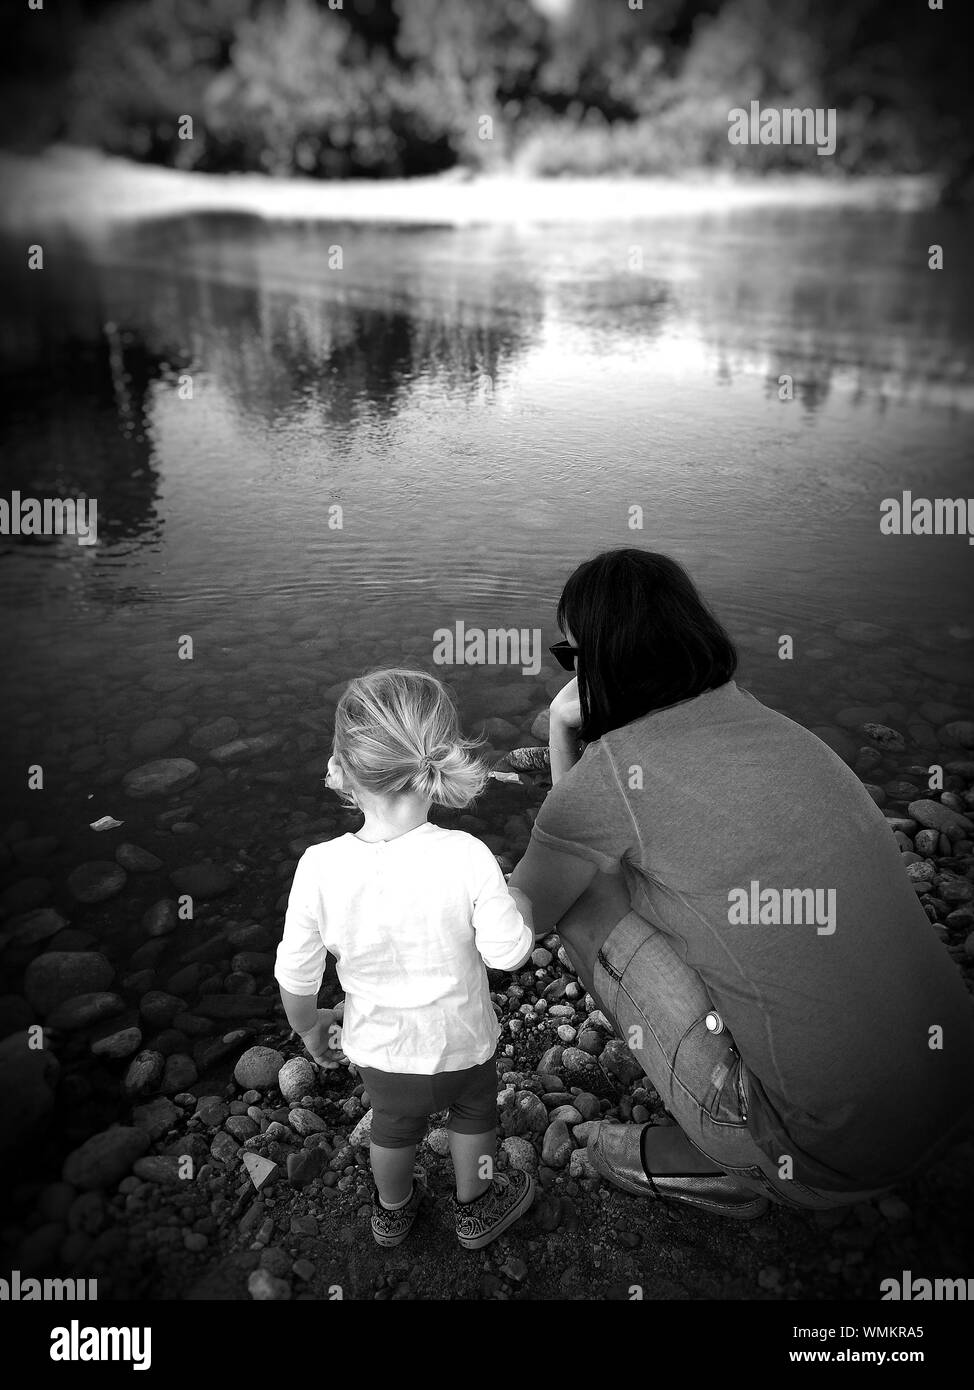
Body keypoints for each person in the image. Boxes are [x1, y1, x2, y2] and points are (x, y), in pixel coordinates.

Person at [509, 548, 974, 1219]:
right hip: (953, 1090)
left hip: (831, 1157)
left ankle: (727, 1162)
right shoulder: (775, 728)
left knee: (586, 901)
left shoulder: (610, 775)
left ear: (596, 665)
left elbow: (517, 924)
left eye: (568, 655)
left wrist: (561, 728)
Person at [274, 668, 537, 1249]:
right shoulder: (467, 855)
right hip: (464, 1045)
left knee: (391, 1129)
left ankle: (392, 1211)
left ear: (340, 769)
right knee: (475, 1119)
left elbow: (297, 976)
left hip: (382, 1054)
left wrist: (312, 1030)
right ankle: (476, 1207)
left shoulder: (317, 866)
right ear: (438, 763)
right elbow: (509, 953)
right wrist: (521, 903)